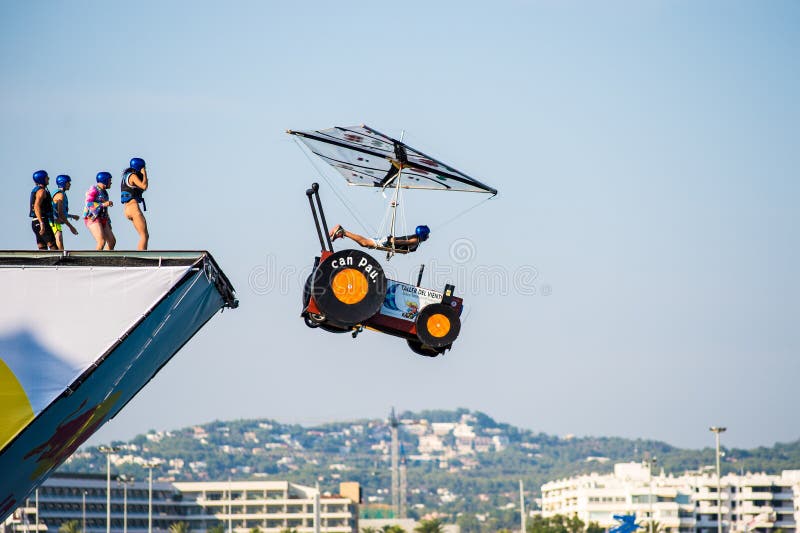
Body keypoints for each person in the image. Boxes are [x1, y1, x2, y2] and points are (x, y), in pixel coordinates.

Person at [328, 224, 430, 253]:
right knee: (365, 243)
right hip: (388, 242)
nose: (428, 237)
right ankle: (343, 231)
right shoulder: (416, 240)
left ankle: (342, 233)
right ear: (423, 234)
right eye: (427, 235)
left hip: (389, 243)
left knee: (364, 243)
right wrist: (393, 241)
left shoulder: (416, 240)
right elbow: (405, 242)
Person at [120, 157, 149, 250]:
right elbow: (144, 186)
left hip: (127, 209)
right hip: (133, 207)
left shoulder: (126, 176)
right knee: (144, 235)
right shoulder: (132, 176)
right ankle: (141, 259)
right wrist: (144, 173)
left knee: (143, 235)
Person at [83, 171, 116, 250]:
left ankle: (106, 260)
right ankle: (95, 261)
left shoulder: (105, 192)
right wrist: (103, 204)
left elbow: (105, 210)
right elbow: (88, 203)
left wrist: (108, 222)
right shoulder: (93, 189)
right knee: (101, 241)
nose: (111, 182)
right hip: (92, 218)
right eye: (109, 180)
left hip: (103, 218)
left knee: (112, 241)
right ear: (104, 180)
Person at [29, 170, 58, 250]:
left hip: (35, 222)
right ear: (41, 179)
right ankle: (62, 263)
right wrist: (41, 223)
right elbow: (36, 206)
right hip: (41, 221)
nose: (48, 178)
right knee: (53, 246)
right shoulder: (41, 191)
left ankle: (44, 263)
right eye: (46, 177)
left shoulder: (36, 190)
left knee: (42, 248)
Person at [50, 174, 80, 250]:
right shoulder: (60, 195)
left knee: (56, 244)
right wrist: (71, 227)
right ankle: (61, 260)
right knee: (59, 242)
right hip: (53, 222)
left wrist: (72, 216)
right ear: (63, 183)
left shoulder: (59, 193)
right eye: (68, 182)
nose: (70, 184)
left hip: (54, 221)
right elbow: (60, 214)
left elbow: (58, 211)